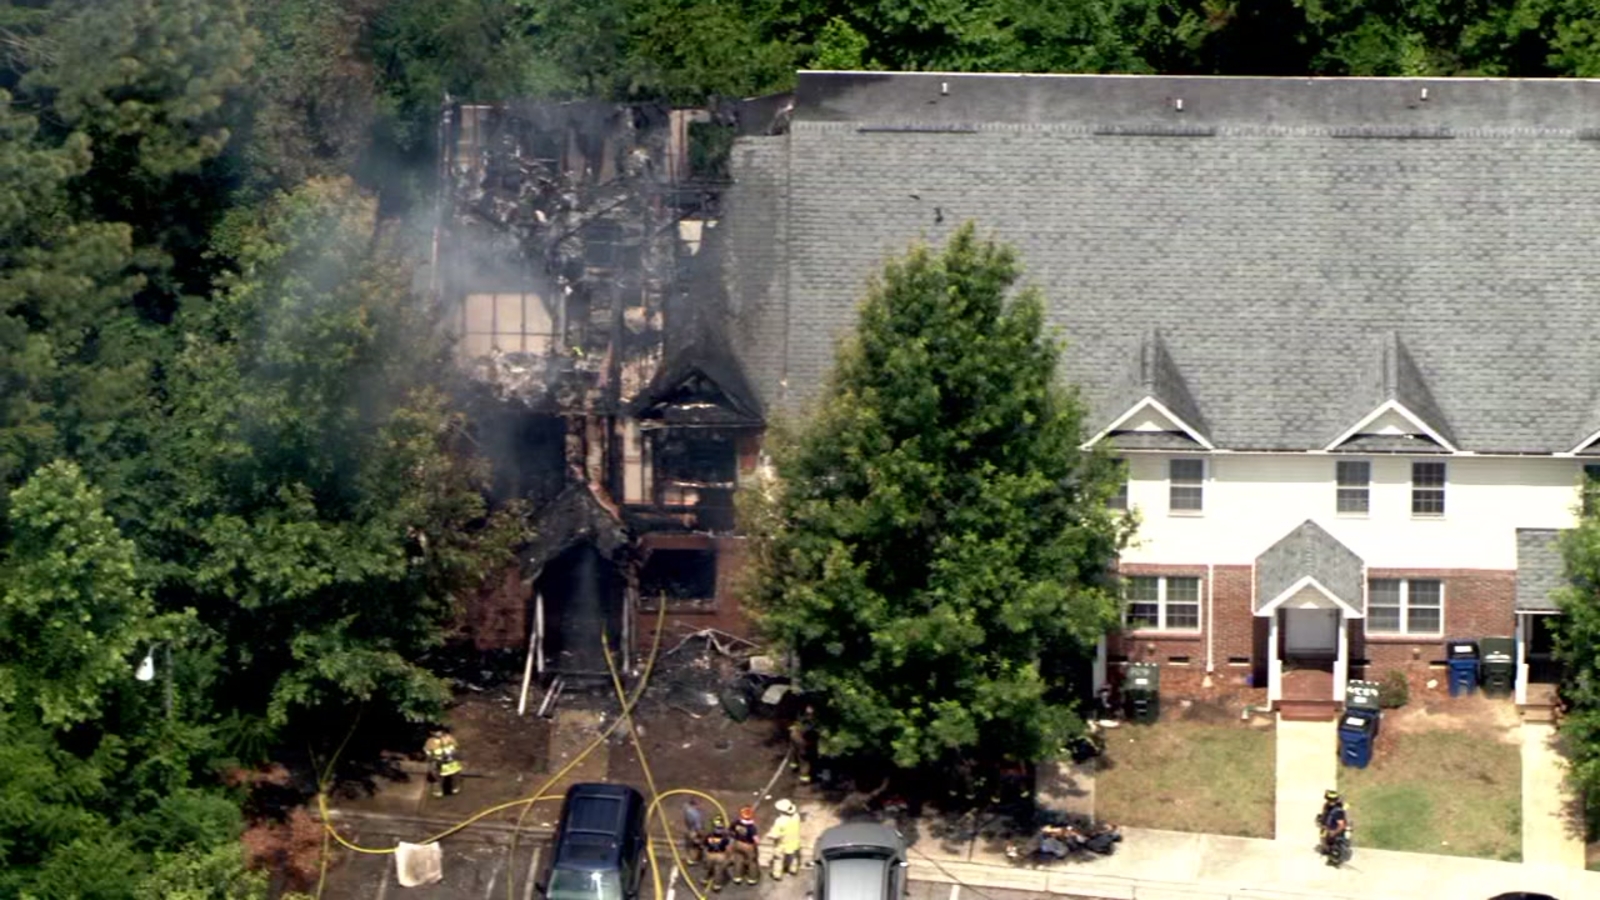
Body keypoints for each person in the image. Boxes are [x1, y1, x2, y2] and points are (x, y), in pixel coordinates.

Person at [423, 728, 462, 798]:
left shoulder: (448, 737)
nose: (437, 733)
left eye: (439, 731)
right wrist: (432, 756)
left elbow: (455, 747)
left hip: (450, 760)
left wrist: (450, 752)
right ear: (431, 732)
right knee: (438, 777)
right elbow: (427, 751)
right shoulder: (430, 741)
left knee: (454, 774)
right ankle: (439, 791)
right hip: (438, 761)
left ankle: (455, 787)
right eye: (435, 731)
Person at [769, 799, 802, 880]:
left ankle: (777, 875)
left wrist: (770, 835)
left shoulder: (779, 821)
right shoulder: (797, 816)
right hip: (794, 842)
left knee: (778, 859)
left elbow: (775, 835)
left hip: (782, 844)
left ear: (781, 811)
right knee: (794, 857)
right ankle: (793, 870)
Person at [730, 807, 760, 885]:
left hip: (737, 843)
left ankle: (737, 877)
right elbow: (756, 839)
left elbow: (731, 830)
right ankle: (752, 879)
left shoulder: (736, 822)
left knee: (738, 859)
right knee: (752, 862)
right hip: (748, 845)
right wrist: (756, 844)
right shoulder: (751, 827)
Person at [1318, 789, 1349, 863]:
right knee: (1323, 835)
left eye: (1333, 799)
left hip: (1335, 828)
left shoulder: (1336, 810)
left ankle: (1326, 850)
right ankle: (1327, 849)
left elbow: (1341, 824)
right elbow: (1324, 815)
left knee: (1323, 837)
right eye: (1329, 799)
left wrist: (1334, 832)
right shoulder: (1328, 806)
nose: (1331, 801)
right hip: (1334, 826)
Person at [702, 817, 733, 892]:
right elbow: (728, 848)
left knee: (709, 868)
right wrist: (729, 857)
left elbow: (704, 845)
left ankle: (705, 880)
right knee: (718, 871)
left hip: (710, 855)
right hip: (720, 855)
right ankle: (716, 886)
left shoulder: (709, 836)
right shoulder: (725, 837)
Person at [788, 706, 815, 784]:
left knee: (793, 750)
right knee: (805, 759)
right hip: (802, 741)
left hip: (794, 735)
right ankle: (804, 778)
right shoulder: (810, 722)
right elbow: (809, 732)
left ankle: (793, 765)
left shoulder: (800, 714)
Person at [682, 797, 706, 866]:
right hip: (694, 832)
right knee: (696, 845)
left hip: (688, 830)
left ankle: (689, 858)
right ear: (696, 804)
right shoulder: (695, 814)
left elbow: (685, 805)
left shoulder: (687, 810)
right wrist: (701, 834)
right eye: (699, 804)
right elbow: (698, 827)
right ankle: (693, 859)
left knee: (688, 845)